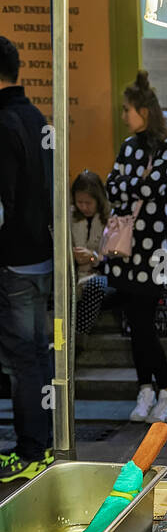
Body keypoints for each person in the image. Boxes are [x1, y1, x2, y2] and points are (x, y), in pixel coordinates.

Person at [104, 70, 167, 423]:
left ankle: (165, 390)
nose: (123, 115)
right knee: (135, 323)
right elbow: (111, 187)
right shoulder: (128, 145)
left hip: (151, 251)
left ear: (143, 111)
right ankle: (146, 388)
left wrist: (130, 184)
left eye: (127, 109)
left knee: (144, 323)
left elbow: (155, 188)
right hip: (125, 251)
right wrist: (138, 183)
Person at [0, 35, 54, 482]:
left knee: (23, 359)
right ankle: (41, 444)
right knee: (35, 354)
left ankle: (32, 449)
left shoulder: (3, 123)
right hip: (41, 254)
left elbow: (4, 200)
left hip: (13, 256)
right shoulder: (36, 117)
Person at [70, 171, 111, 336]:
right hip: (74, 274)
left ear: (98, 200)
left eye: (88, 202)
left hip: (101, 274)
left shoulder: (110, 218)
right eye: (80, 202)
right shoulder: (69, 216)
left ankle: (78, 335)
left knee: (95, 286)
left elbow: (116, 258)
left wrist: (93, 257)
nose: (84, 207)